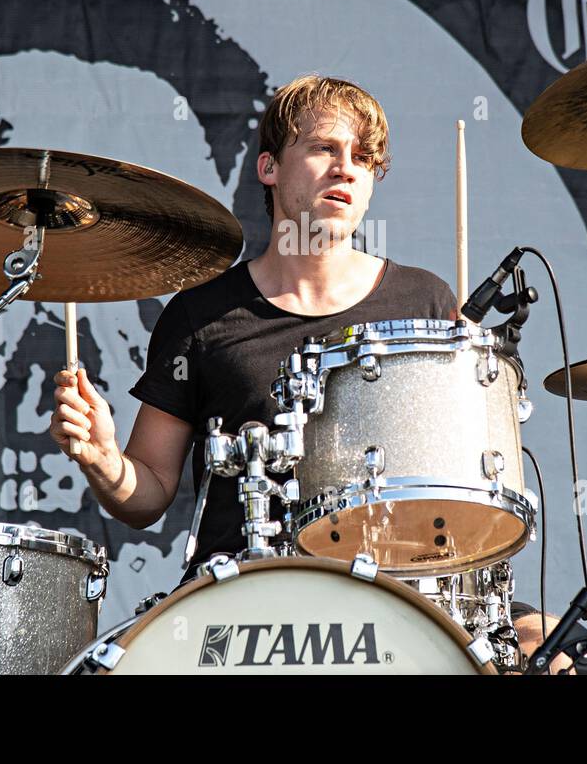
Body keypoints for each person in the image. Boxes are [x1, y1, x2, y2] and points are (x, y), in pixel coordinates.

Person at [49, 74, 457, 573]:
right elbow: (148, 495)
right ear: (269, 167)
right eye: (323, 148)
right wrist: (104, 461)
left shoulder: (425, 302)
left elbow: (458, 486)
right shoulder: (202, 315)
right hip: (243, 608)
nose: (346, 169)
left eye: (363, 157)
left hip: (395, 593)